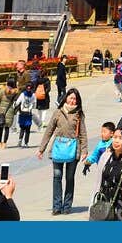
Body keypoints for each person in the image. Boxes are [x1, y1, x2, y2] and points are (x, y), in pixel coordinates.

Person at [36, 86, 85, 215]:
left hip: (73, 150)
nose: (72, 101)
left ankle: (67, 206)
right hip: (58, 149)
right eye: (70, 98)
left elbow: (83, 134)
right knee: (57, 177)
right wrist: (42, 149)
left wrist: (84, 150)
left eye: (75, 99)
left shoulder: (79, 114)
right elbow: (49, 130)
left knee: (69, 178)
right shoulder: (58, 112)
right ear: (66, 98)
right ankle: (57, 206)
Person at [88, 126, 122, 221]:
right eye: (115, 137)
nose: (116, 141)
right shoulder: (105, 156)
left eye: (120, 138)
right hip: (102, 206)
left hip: (119, 209)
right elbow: (98, 183)